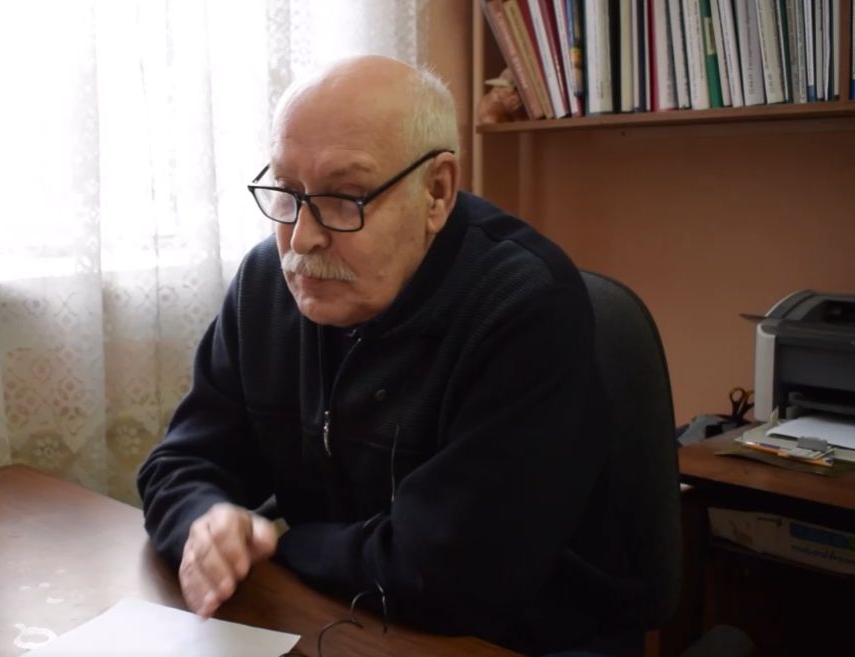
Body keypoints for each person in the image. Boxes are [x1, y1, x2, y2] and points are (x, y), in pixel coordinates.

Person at [137, 55, 636, 656]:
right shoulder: (266, 284)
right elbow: (180, 463)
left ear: (437, 192)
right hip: (344, 615)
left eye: (345, 197)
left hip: (518, 637)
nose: (302, 238)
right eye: (288, 193)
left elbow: (453, 572)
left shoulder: (522, 304)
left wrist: (279, 542)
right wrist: (206, 524)